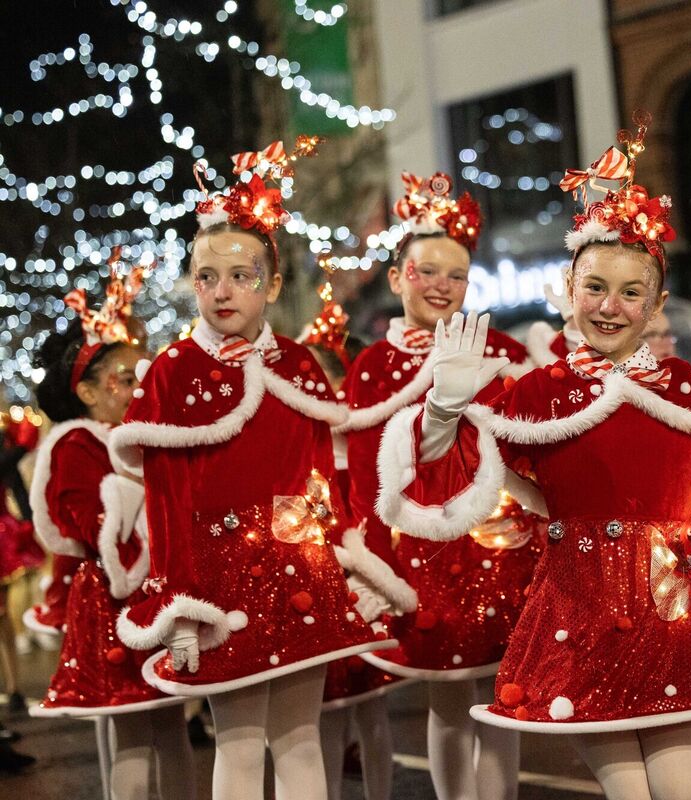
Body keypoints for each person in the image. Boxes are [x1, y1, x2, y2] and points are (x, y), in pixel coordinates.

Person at [373, 114, 691, 800]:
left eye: (630, 292)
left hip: (674, 603)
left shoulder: (687, 386)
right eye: (594, 288)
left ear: (657, 305)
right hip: (577, 604)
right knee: (625, 781)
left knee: (678, 781)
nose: (609, 306)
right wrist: (445, 408)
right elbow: (457, 472)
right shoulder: (540, 390)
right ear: (569, 290)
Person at [107, 139, 411, 800]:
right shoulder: (172, 371)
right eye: (207, 276)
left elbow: (324, 479)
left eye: (242, 275)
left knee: (301, 738)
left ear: (273, 284)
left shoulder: (297, 364)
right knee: (239, 745)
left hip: (298, 571)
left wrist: (346, 559)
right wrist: (180, 603)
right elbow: (164, 497)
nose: (222, 291)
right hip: (214, 581)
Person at [339, 171, 538, 800]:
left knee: (506, 695)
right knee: (449, 698)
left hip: (501, 544)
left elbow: (527, 452)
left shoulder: (500, 349)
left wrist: (532, 520)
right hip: (419, 554)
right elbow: (367, 471)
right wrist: (370, 562)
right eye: (427, 272)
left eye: (456, 275)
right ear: (397, 278)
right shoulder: (372, 366)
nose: (441, 287)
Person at [28, 260, 194, 798]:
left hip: (154, 594)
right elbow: (96, 526)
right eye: (125, 379)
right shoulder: (77, 445)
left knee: (171, 724)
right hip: (111, 598)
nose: (136, 388)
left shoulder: (140, 438)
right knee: (132, 728)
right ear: (88, 392)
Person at [301, 281, 404, 800]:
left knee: (370, 708)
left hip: (364, 585)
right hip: (320, 588)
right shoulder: (307, 453)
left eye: (321, 379)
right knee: (327, 716)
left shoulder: (365, 446)